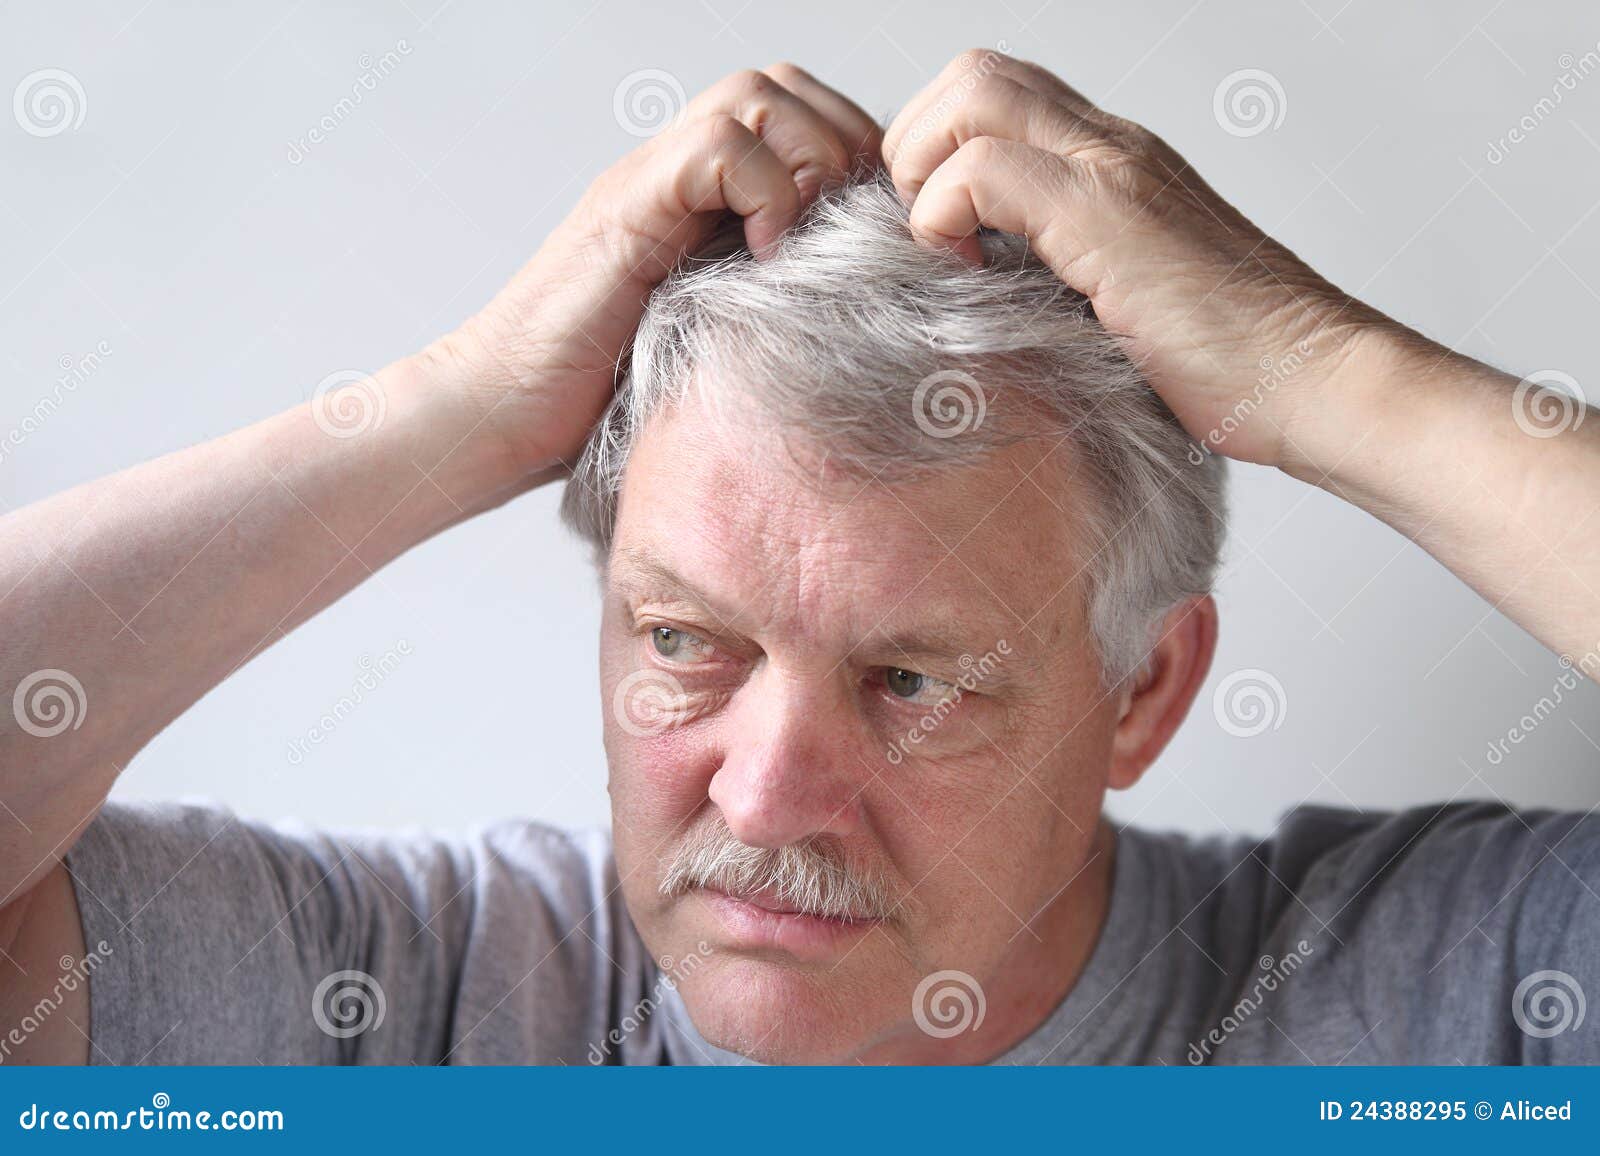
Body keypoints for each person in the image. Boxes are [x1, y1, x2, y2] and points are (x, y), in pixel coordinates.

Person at [1, 55, 1596, 1066]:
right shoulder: (416, 1005)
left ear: (1143, 691)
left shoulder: (1439, 1009)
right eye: (687, 643)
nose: (764, 798)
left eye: (910, 679)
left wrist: (1328, 372)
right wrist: (457, 409)